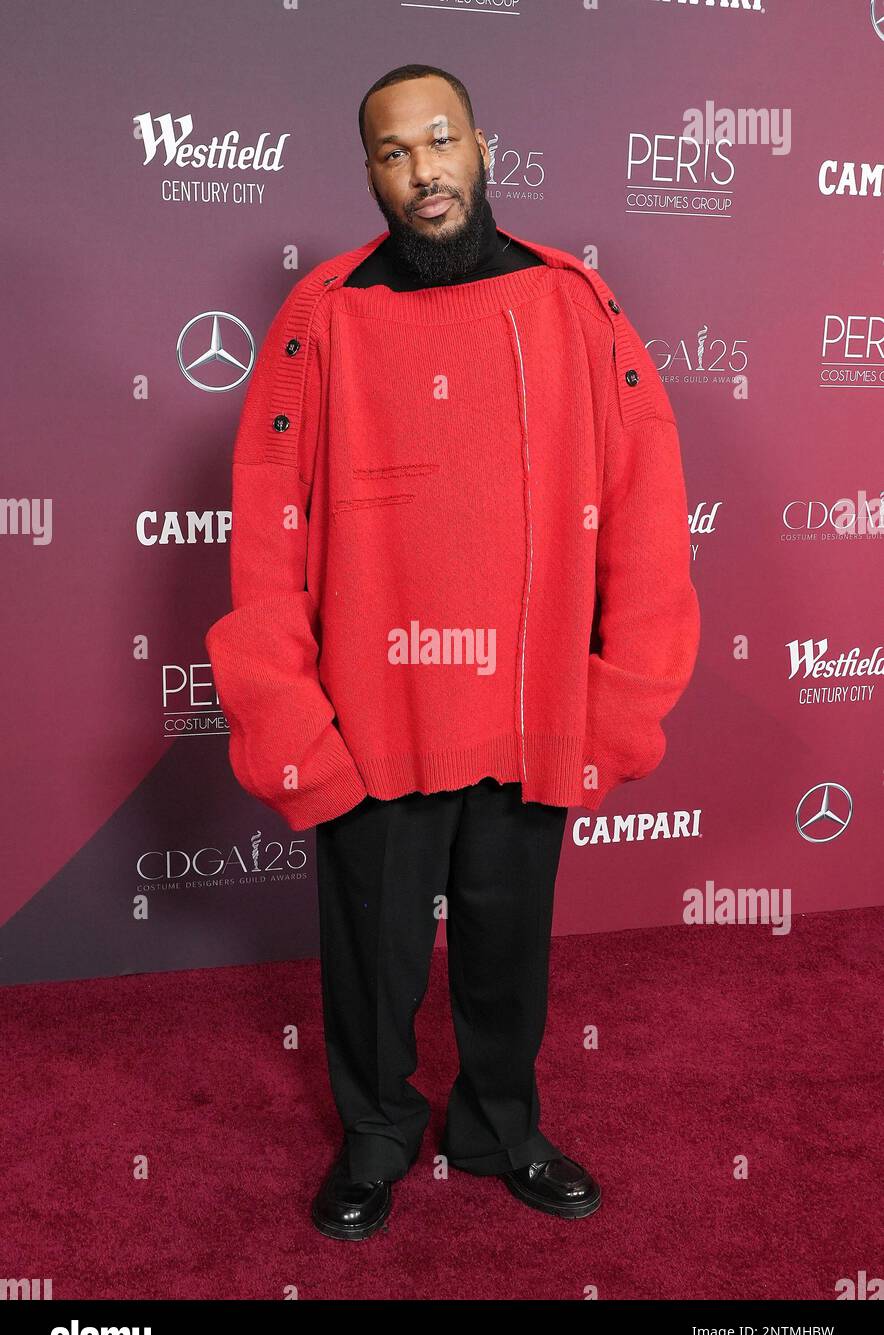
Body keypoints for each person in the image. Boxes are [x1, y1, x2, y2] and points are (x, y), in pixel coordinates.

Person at [205, 63, 701, 1241]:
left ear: (482, 146)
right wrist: (289, 716)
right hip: (372, 712)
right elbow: (269, 521)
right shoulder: (322, 314)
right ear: (368, 172)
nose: (421, 171)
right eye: (393, 152)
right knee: (371, 954)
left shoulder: (573, 302)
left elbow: (643, 499)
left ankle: (499, 1127)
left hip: (527, 710)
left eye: (439, 141)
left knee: (506, 946)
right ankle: (375, 1136)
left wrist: (616, 700)